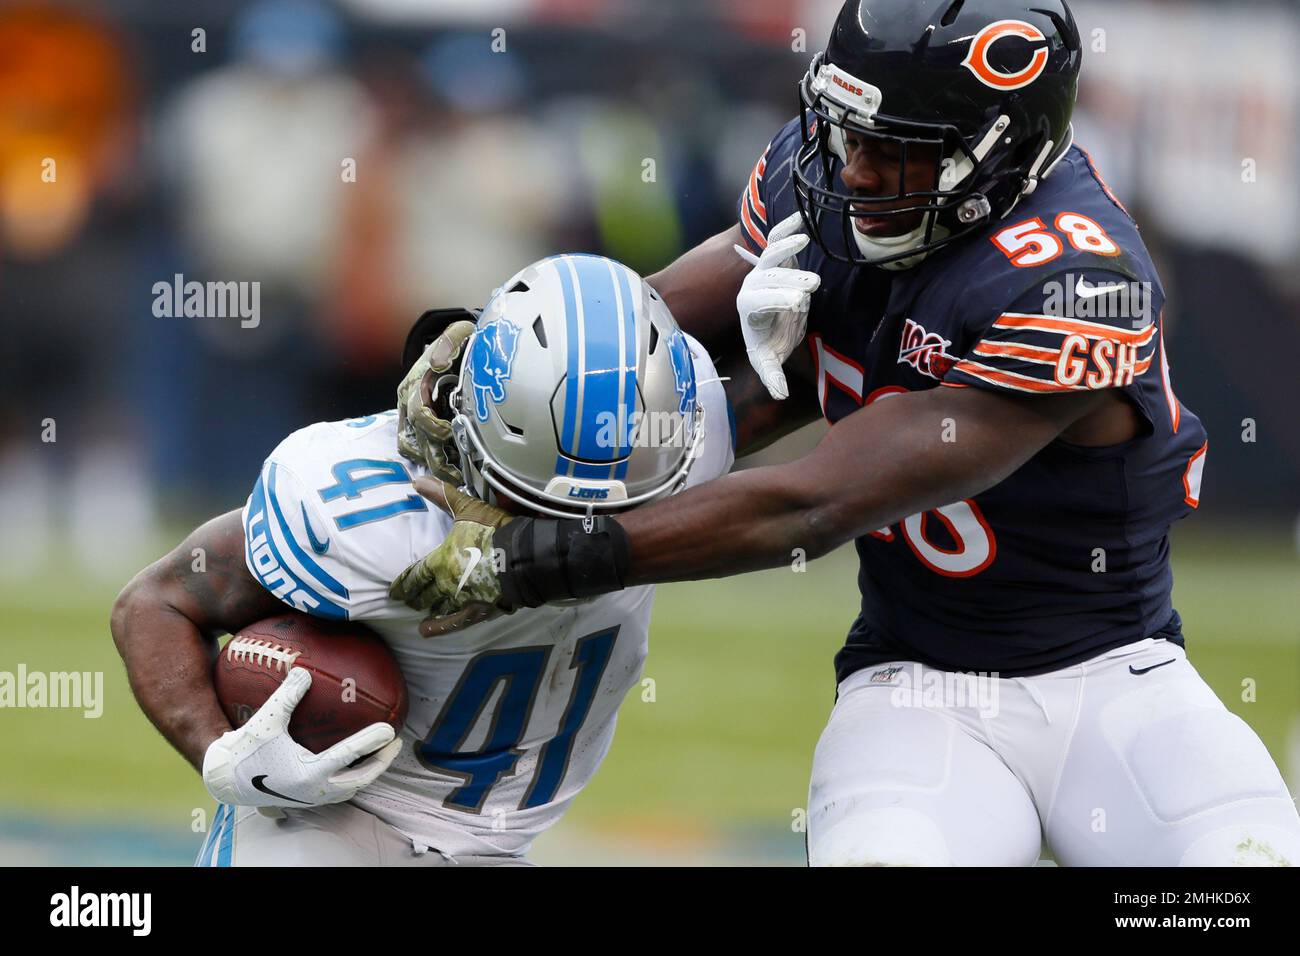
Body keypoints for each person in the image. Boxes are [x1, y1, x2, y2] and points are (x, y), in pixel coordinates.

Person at [388, 0, 1300, 866]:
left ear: (996, 154)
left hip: (1117, 679)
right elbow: (642, 322)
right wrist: (495, 351)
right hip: (914, 691)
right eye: (848, 133)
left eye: (895, 152)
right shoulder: (832, 173)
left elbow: (813, 505)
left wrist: (536, 561)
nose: (854, 171)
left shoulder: (1077, 280)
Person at [111, 254, 733, 865]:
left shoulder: (682, 431)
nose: (576, 537)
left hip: (499, 846)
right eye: (539, 502)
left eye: (610, 513)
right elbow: (155, 603)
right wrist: (221, 755)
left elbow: (820, 486)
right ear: (476, 429)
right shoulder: (366, 510)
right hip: (335, 820)